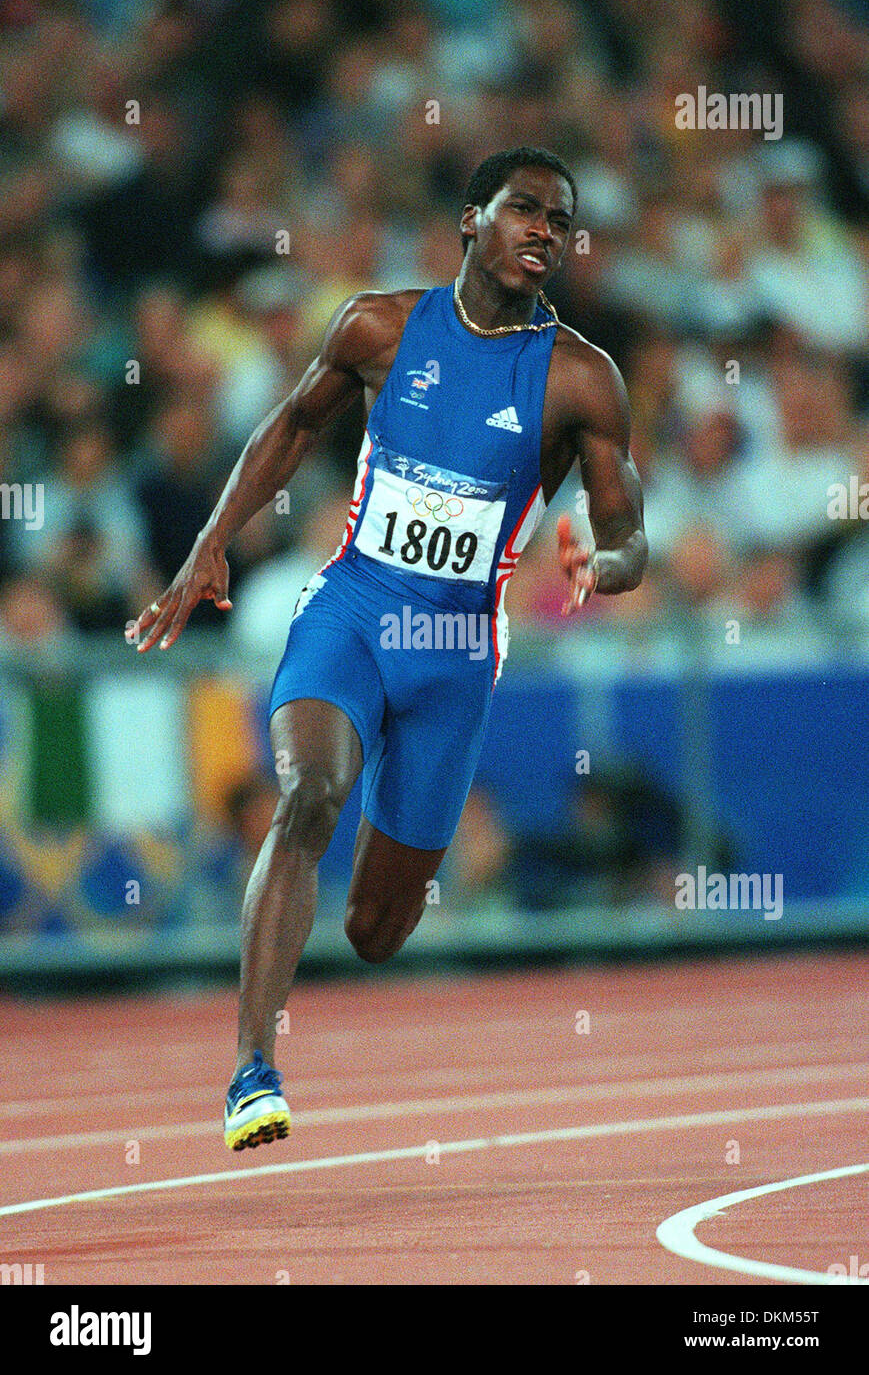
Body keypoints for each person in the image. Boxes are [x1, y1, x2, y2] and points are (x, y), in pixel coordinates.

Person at [128, 147, 648, 1150]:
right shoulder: (377, 324)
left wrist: (607, 563)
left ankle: (365, 899)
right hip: (354, 611)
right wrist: (209, 544)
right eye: (524, 209)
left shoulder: (580, 378)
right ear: (470, 219)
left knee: (376, 932)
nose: (544, 229)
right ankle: (251, 1067)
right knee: (308, 792)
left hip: (454, 655)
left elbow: (624, 524)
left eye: (560, 219)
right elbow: (288, 425)